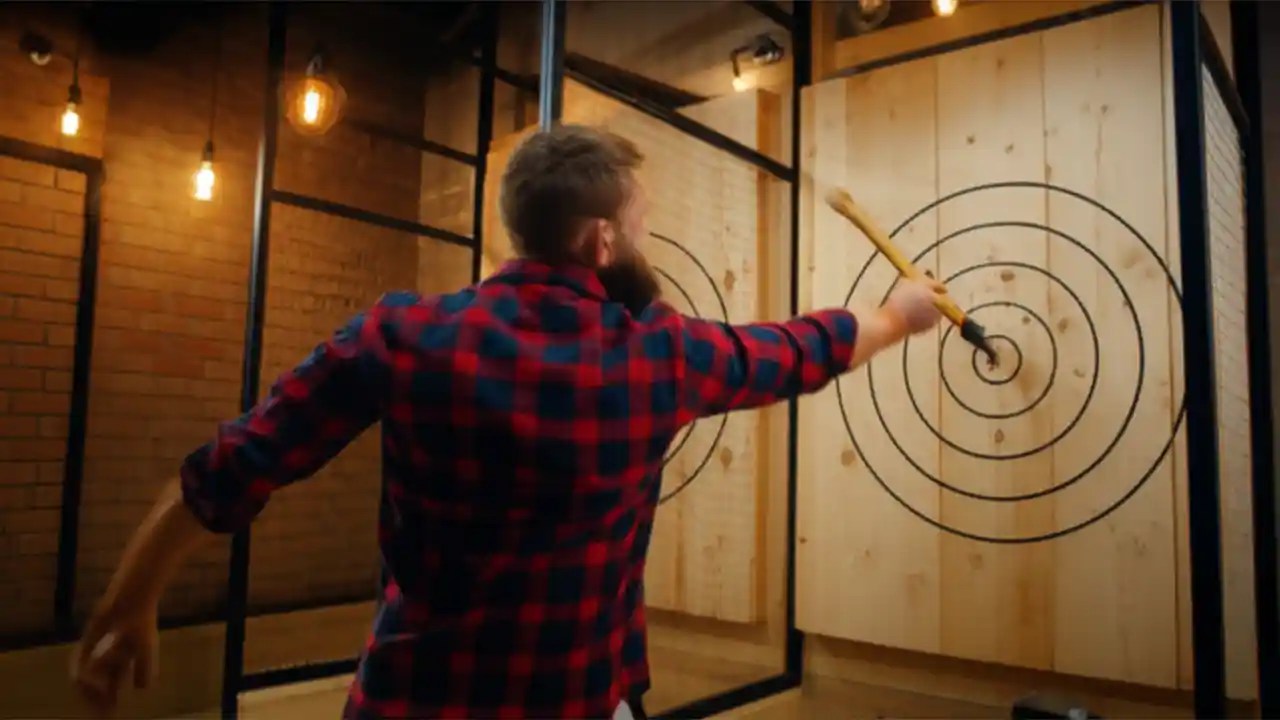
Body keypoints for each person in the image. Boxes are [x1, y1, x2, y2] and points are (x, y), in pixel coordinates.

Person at [70, 124, 945, 719]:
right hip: (570, 696)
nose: (643, 243)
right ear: (600, 243)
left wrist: (129, 602)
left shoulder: (402, 335)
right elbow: (802, 348)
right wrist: (902, 315)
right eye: (639, 228)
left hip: (409, 695)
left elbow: (227, 469)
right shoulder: (662, 356)